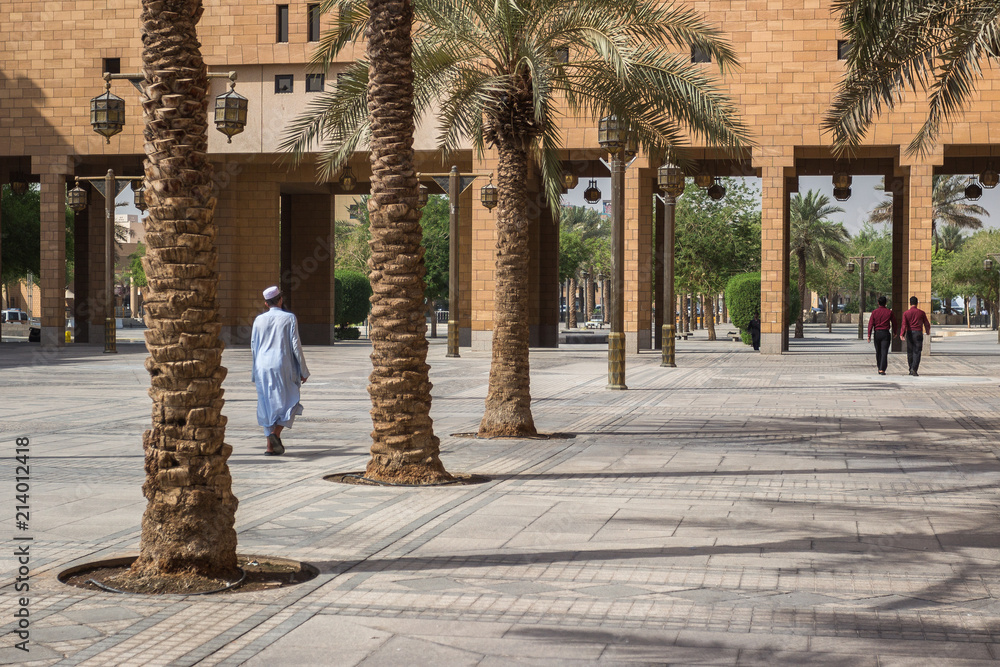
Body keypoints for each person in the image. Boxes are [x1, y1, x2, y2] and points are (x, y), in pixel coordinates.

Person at [251, 286, 309, 455]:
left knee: (266, 404)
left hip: (262, 366)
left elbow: (254, 346)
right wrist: (303, 371)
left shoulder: (258, 320)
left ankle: (270, 447)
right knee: (292, 401)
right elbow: (296, 346)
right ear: (280, 300)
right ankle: (275, 434)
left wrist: (254, 371)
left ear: (266, 303)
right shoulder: (289, 318)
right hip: (282, 365)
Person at [900, 295, 931, 376]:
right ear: (917, 303)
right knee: (917, 352)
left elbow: (904, 324)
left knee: (910, 352)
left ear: (910, 303)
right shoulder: (921, 313)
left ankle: (911, 368)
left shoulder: (906, 313)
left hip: (910, 333)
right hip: (918, 333)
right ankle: (914, 369)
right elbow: (926, 323)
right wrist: (927, 331)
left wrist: (902, 334)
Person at [867, 295, 896, 375]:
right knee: (884, 351)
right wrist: (895, 332)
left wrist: (869, 335)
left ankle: (879, 366)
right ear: (886, 303)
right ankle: (882, 369)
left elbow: (870, 324)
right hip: (885, 333)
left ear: (878, 303)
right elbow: (894, 323)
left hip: (877, 333)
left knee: (878, 351)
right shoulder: (889, 312)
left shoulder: (874, 312)